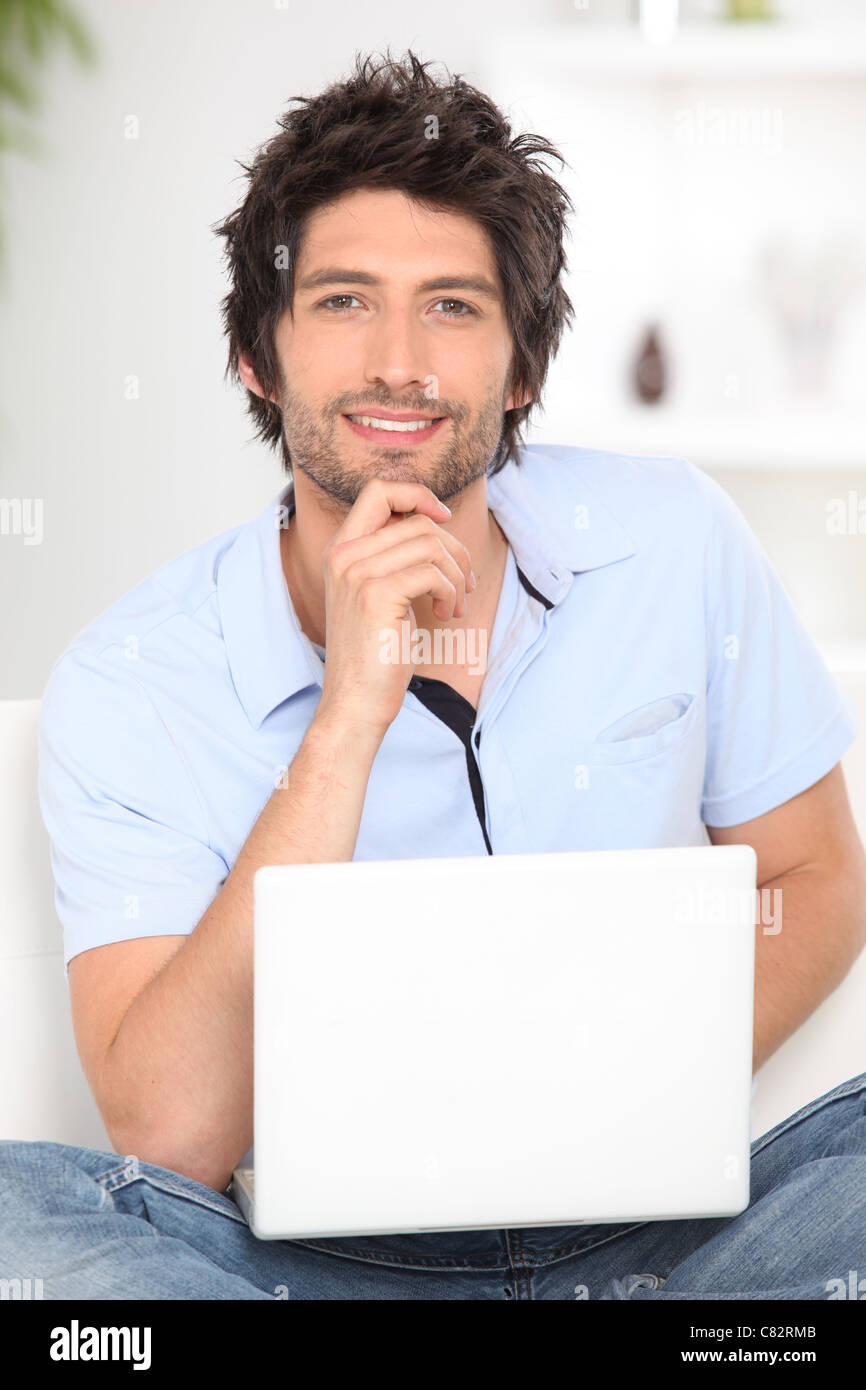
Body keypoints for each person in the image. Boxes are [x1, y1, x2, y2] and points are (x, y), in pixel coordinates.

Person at [2, 50, 864, 1302]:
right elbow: (171, 1134)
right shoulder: (129, 680)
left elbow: (817, 873)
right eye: (344, 301)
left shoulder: (673, 540)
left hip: (664, 1245)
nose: (399, 362)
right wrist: (347, 714)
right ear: (260, 354)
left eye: (452, 306)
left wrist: (604, 1103)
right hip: (310, 1269)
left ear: (518, 372)